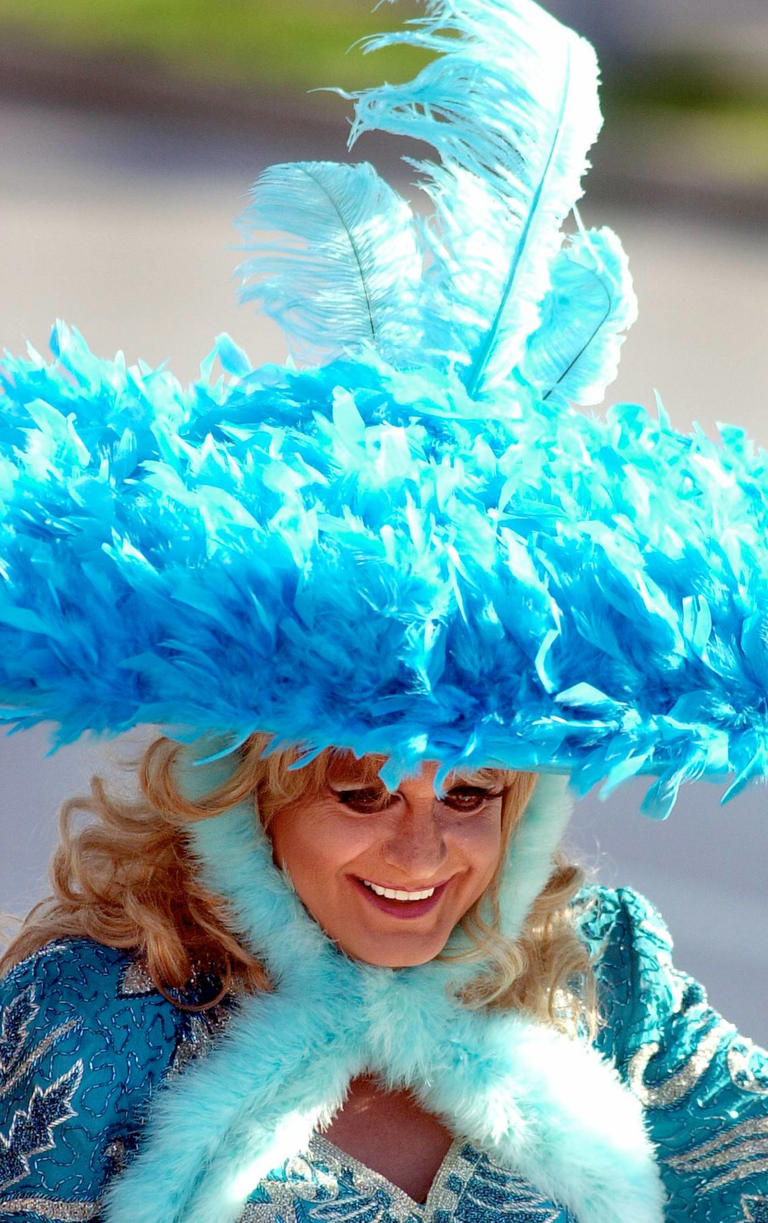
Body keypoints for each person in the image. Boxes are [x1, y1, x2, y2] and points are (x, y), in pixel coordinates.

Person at [0, 0, 767, 1221]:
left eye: (472, 795)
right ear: (248, 792)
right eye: (360, 793)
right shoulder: (96, 1015)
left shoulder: (604, 975)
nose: (421, 855)